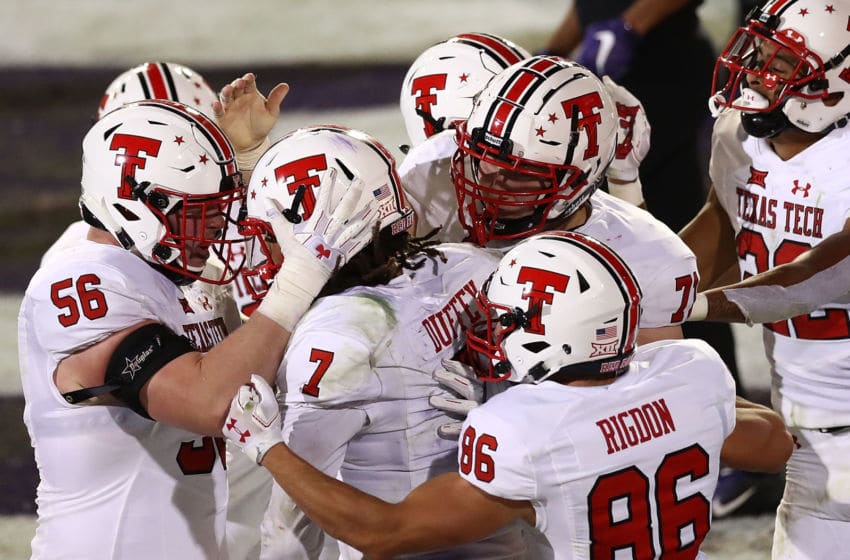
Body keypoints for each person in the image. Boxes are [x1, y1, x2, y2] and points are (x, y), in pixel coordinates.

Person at [223, 231, 794, 559]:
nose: (488, 331)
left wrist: (269, 446)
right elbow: (774, 447)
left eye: (504, 320)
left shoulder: (522, 432)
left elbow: (383, 532)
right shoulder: (687, 372)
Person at [17, 74, 376, 558]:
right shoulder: (81, 280)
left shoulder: (160, 273)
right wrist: (304, 270)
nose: (213, 230)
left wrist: (247, 162)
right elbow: (209, 401)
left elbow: (256, 340)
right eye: (196, 213)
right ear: (138, 204)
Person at [238, 125, 525, 559]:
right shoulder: (469, 265)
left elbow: (294, 520)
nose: (265, 253)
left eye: (270, 234)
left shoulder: (338, 334)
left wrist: (265, 445)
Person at [678, 0, 850, 554]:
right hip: (808, 426)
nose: (755, 73)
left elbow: (815, 277)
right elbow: (725, 224)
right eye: (759, 54)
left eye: (781, 63)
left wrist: (697, 307)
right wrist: (641, 285)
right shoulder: (739, 135)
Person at [538, 0, 743, 417]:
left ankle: (721, 412)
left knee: (667, 249)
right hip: (614, 69)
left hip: (657, 73)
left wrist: (631, 26)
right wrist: (552, 54)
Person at [442, 55, 696, 347]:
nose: (491, 182)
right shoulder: (435, 198)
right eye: (482, 157)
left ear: (580, 179)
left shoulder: (643, 257)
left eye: (520, 172)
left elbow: (646, 385)